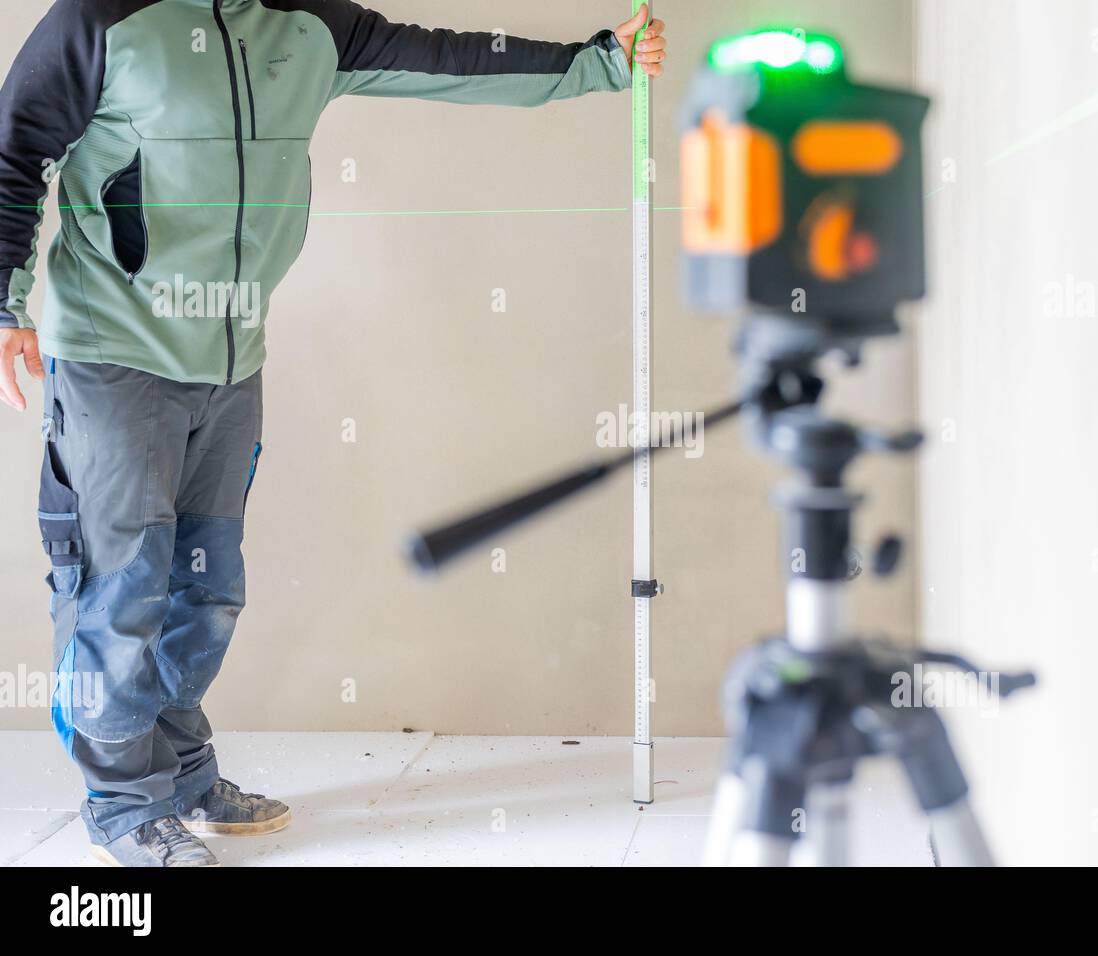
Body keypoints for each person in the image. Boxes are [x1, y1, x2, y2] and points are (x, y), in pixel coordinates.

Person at [0, 0, 667, 867]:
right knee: (119, 590)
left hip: (233, 358)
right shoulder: (101, 18)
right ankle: (123, 803)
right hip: (112, 355)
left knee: (207, 590)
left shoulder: (307, 24)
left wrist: (600, 61)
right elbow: (14, 152)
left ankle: (180, 773)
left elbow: (453, 61)